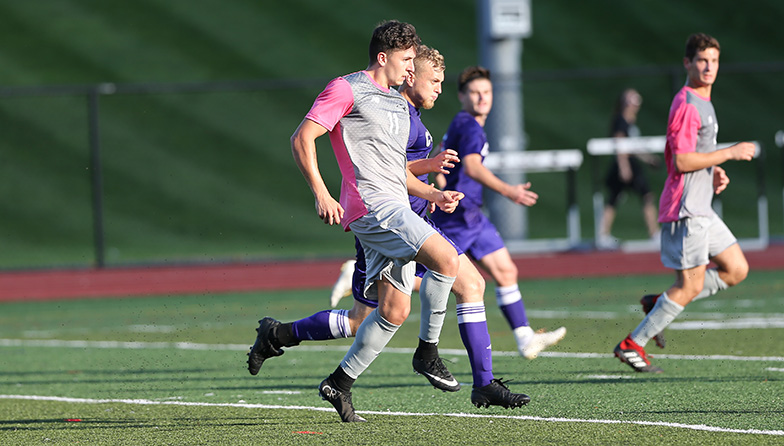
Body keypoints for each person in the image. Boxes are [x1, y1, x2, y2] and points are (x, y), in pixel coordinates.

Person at [247, 45, 531, 410]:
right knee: (372, 315)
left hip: (410, 220)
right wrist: (429, 172)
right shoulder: (391, 111)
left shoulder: (405, 112)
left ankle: (478, 381)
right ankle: (436, 360)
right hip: (385, 222)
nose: (438, 88)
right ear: (408, 75)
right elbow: (382, 171)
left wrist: (431, 191)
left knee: (411, 305)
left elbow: (396, 171)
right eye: (433, 79)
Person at [251, 21, 465, 423]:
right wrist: (321, 192)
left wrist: (433, 194)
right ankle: (428, 353)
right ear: (383, 57)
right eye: (406, 59)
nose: (411, 68)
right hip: (372, 208)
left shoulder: (397, 104)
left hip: (395, 206)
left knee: (393, 311)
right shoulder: (346, 88)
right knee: (447, 260)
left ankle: (339, 383)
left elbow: (395, 170)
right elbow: (302, 138)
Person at [613, 33, 755, 373]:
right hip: (686, 208)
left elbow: (698, 153)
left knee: (736, 269)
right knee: (689, 285)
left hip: (702, 207)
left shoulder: (704, 101)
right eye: (702, 60)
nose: (709, 67)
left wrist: (714, 170)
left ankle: (659, 304)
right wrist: (729, 153)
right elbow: (681, 161)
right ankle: (632, 344)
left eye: (714, 61)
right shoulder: (688, 103)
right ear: (687, 63)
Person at [431, 66, 567, 359]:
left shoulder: (462, 123)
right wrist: (509, 191)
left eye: (487, 92)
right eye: (475, 93)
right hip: (458, 216)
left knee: (506, 271)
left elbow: (442, 158)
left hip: (472, 216)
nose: (482, 98)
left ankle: (525, 338)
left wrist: (441, 183)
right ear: (462, 96)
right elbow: (472, 166)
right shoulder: (469, 126)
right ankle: (366, 271)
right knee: (428, 276)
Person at [597, 88, 661, 250]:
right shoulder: (620, 120)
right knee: (617, 198)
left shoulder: (631, 122)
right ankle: (603, 235)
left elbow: (634, 147)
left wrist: (649, 158)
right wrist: (623, 166)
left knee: (638, 197)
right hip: (626, 165)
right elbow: (620, 145)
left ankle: (654, 233)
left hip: (632, 163)